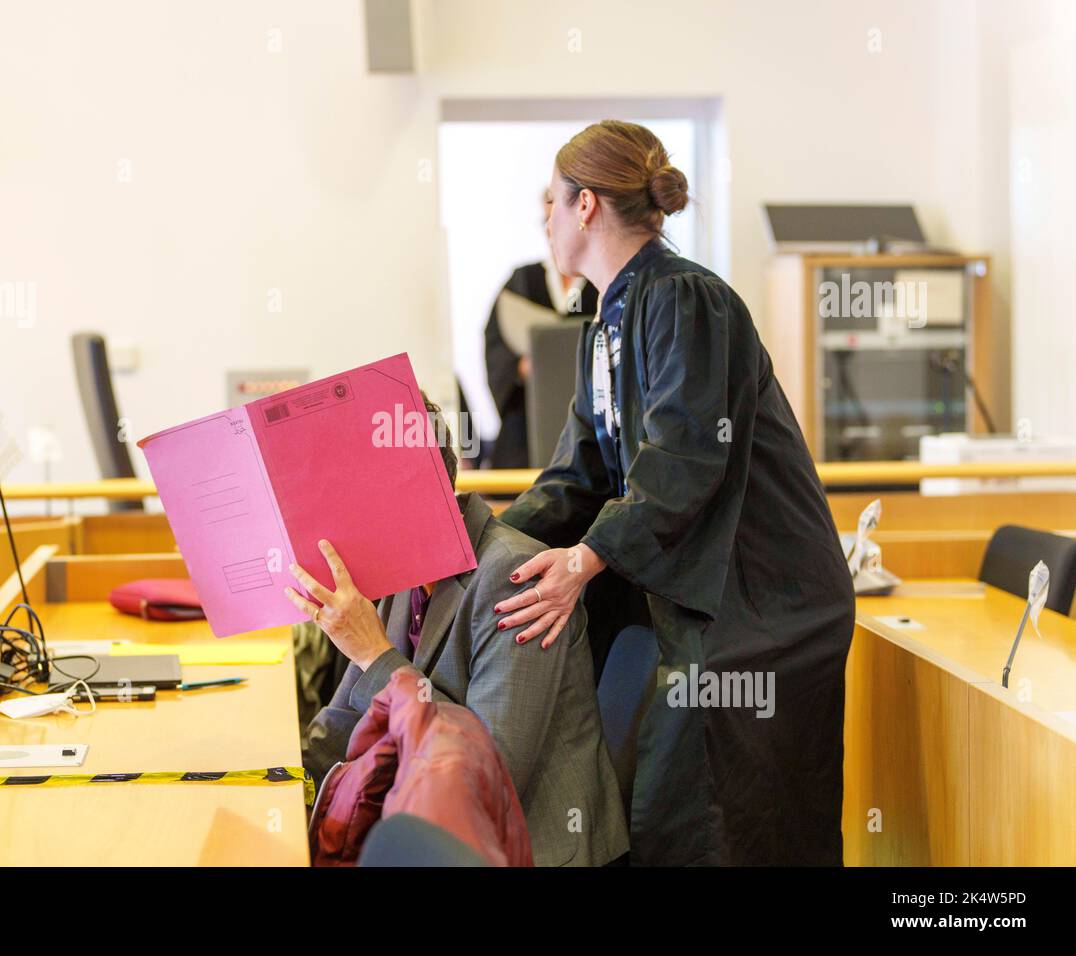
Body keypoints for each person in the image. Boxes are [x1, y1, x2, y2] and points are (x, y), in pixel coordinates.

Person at [493, 121, 855, 866]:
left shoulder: (685, 299)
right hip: (704, 604)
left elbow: (685, 460)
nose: (548, 225)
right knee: (665, 811)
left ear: (585, 205)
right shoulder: (607, 323)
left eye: (552, 208)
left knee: (731, 826)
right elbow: (580, 474)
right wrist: (481, 548)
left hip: (764, 607)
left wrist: (584, 562)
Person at [293, 397, 628, 866]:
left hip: (528, 848)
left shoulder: (514, 572)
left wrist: (375, 653)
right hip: (437, 832)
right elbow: (346, 715)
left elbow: (489, 772)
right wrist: (282, 781)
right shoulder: (401, 571)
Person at [484, 189, 599, 469]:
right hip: (528, 423)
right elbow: (495, 345)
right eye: (545, 221)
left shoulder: (601, 284)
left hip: (591, 423)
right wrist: (522, 367)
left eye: (557, 220)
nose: (550, 230)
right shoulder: (522, 281)